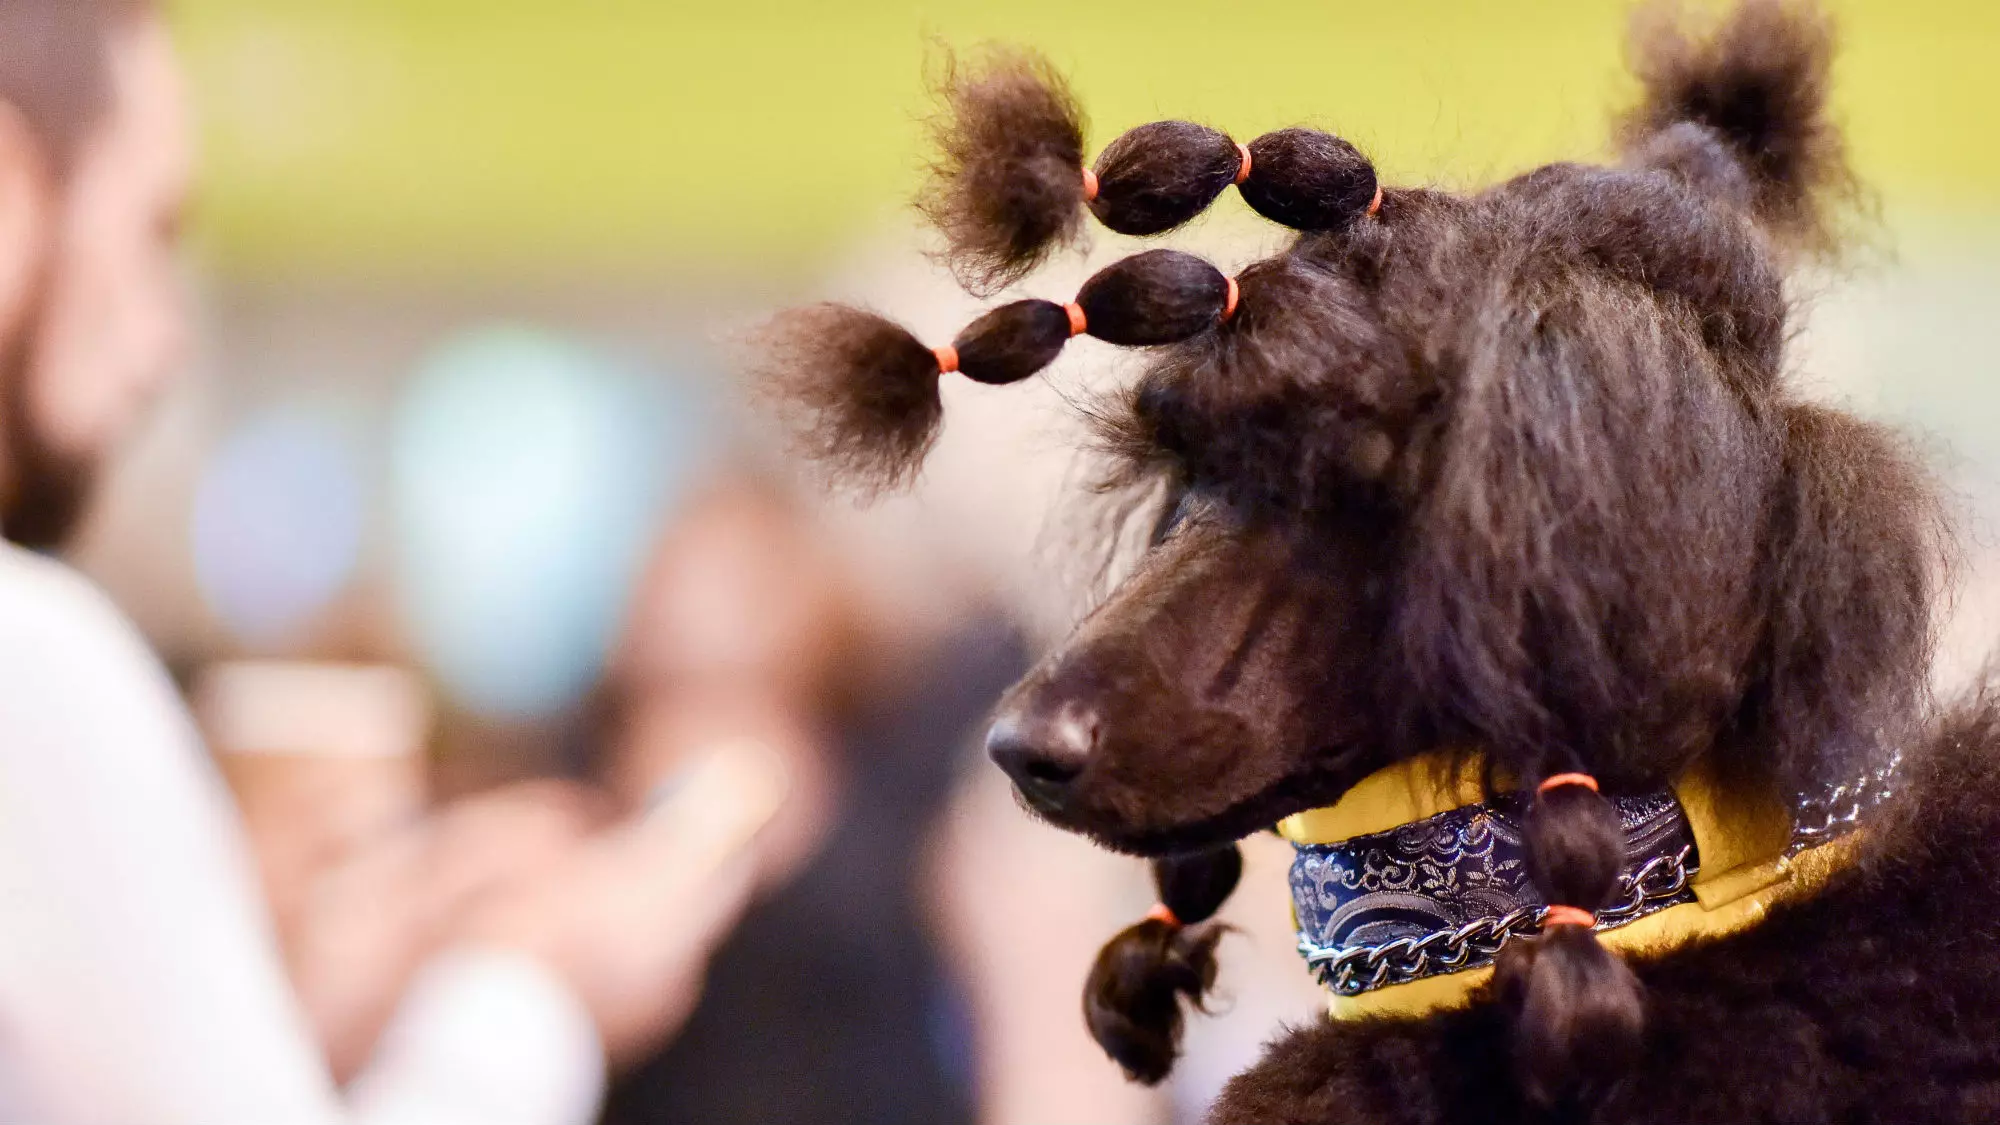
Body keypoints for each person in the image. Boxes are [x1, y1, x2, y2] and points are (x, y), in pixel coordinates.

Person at [0, 3, 770, 1122]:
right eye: (150, 231)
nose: (165, 337)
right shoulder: (35, 662)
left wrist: (307, 992)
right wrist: (538, 989)